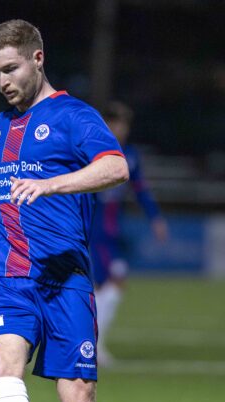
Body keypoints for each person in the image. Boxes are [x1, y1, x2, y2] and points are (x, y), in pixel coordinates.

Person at [0, 19, 129, 402]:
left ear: (37, 59)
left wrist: (51, 184)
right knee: (1, 364)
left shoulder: (73, 115)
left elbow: (116, 167)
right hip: (5, 274)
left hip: (65, 279)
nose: (2, 81)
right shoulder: (1, 125)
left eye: (11, 69)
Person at [90, 102, 168, 366]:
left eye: (124, 124)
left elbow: (141, 190)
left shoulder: (129, 155)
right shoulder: (90, 151)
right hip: (93, 231)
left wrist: (155, 218)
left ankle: (92, 343)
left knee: (112, 285)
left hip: (113, 232)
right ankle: (91, 345)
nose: (121, 129)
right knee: (106, 285)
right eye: (117, 123)